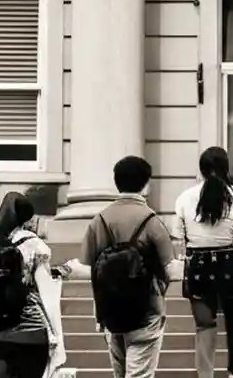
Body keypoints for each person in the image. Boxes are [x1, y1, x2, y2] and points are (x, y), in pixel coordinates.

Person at [173, 147, 233, 378]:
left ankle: (205, 374)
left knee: (204, 326)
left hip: (199, 271)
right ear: (226, 168)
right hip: (231, 270)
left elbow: (178, 240)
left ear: (202, 169)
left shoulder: (185, 199)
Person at [76, 156, 175, 378]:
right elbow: (169, 267)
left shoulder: (99, 221)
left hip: (110, 311)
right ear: (146, 184)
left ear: (116, 182)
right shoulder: (152, 221)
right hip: (147, 311)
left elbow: (86, 267)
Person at [0, 193, 64, 378]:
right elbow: (48, 297)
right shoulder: (36, 247)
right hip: (29, 337)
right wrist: (58, 339)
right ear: (27, 219)